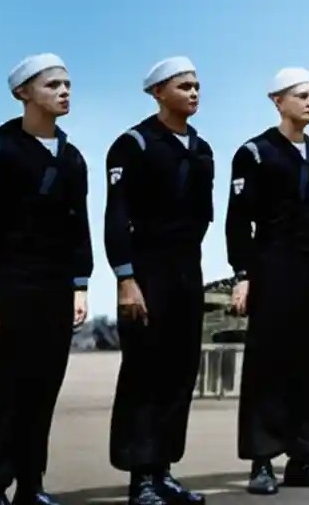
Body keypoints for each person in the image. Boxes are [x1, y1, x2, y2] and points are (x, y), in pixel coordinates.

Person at [0, 53, 94, 505]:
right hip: (7, 287)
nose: (64, 91)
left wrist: (80, 284)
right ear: (23, 93)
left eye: (67, 84)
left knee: (42, 389)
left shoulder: (72, 157)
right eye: (53, 85)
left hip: (54, 288)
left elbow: (80, 226)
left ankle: (31, 485)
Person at [224, 67, 309, 495]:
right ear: (278, 101)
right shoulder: (255, 153)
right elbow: (238, 221)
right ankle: (261, 460)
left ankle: (303, 457)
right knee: (268, 363)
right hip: (272, 267)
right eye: (301, 95)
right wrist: (243, 275)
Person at [104, 57, 213, 505]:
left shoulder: (202, 148)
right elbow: (117, 215)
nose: (193, 93)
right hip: (146, 269)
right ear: (158, 92)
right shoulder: (134, 144)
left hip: (187, 268)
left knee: (180, 371)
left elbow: (203, 214)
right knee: (144, 373)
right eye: (184, 86)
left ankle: (164, 468)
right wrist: (126, 278)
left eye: (196, 86)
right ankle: (140, 477)